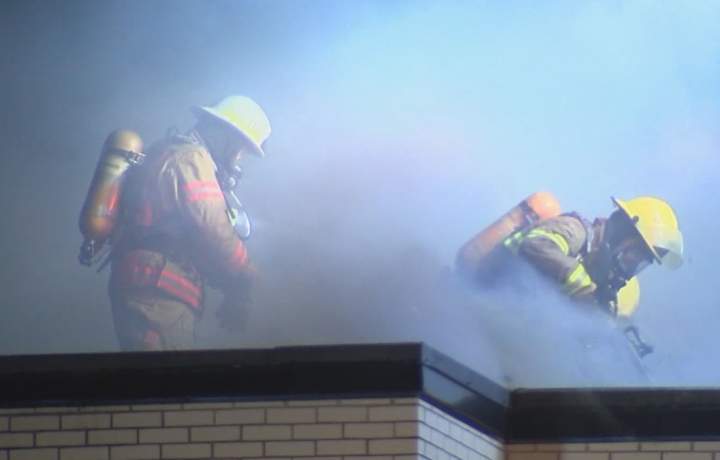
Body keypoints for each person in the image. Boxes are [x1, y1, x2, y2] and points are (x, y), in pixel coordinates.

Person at [108, 95, 271, 350]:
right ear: (226, 134)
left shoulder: (173, 153)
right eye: (241, 148)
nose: (239, 158)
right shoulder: (193, 158)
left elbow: (195, 240)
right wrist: (246, 273)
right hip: (157, 292)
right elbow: (212, 226)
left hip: (153, 286)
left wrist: (232, 290)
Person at [456, 196, 684, 317]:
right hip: (476, 295)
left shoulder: (594, 267)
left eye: (641, 263)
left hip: (501, 315)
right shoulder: (576, 231)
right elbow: (536, 244)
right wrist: (583, 289)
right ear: (623, 235)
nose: (632, 266)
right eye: (635, 255)